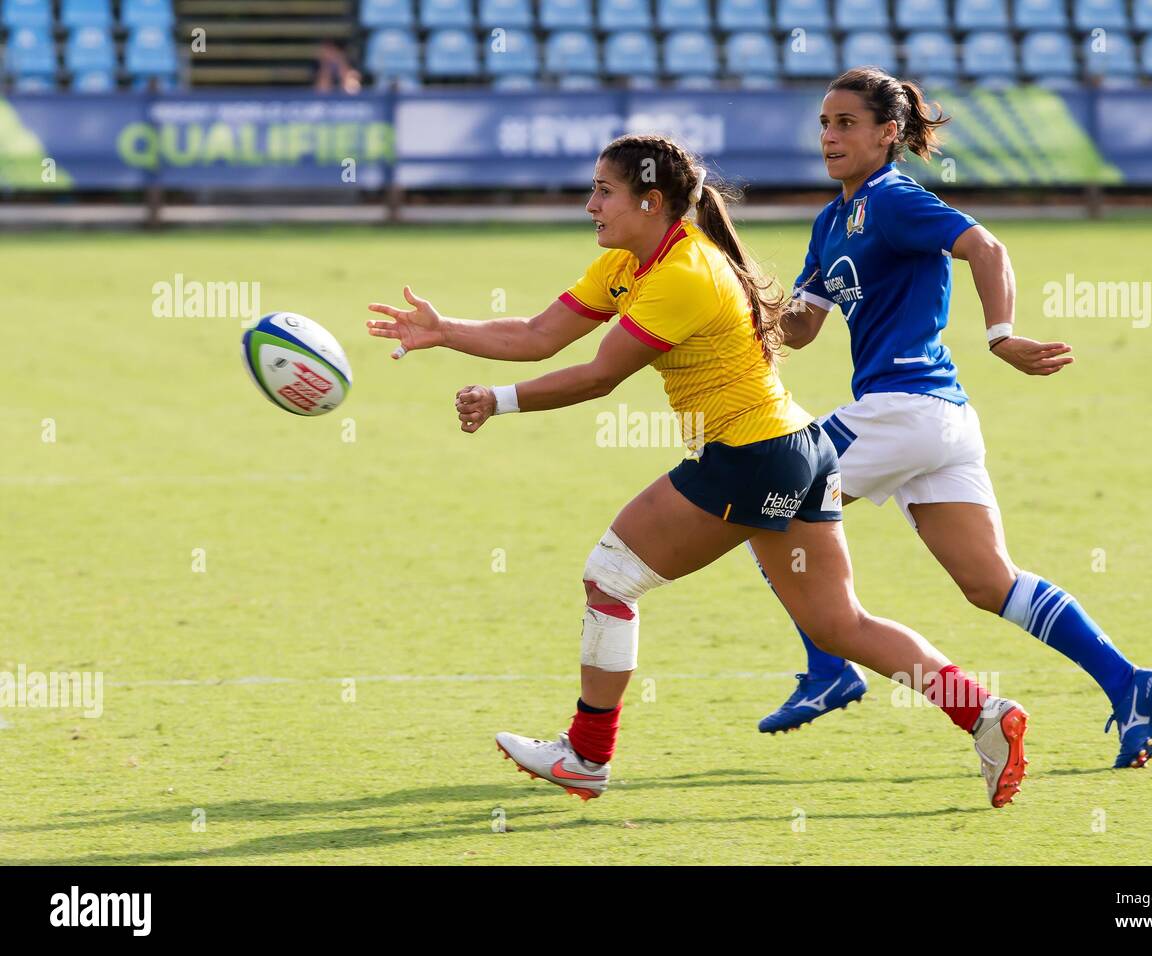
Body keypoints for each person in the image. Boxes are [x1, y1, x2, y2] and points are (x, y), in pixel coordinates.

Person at [365, 134, 1029, 808]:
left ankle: (586, 755)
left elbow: (599, 376)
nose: (590, 203)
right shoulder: (634, 259)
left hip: (751, 457)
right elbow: (540, 335)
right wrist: (445, 328)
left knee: (611, 574)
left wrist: (498, 401)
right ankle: (982, 712)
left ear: (650, 202)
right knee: (839, 626)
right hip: (796, 448)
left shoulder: (684, 273)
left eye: (604, 192)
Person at [754, 67, 1152, 770]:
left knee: (760, 498)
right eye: (824, 123)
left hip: (903, 407)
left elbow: (985, 246)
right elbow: (799, 329)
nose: (829, 136)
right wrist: (740, 300)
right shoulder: (832, 222)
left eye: (846, 123)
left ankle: (830, 664)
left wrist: (1001, 335)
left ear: (888, 134)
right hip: (939, 421)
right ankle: (1130, 683)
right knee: (991, 584)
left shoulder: (894, 199)